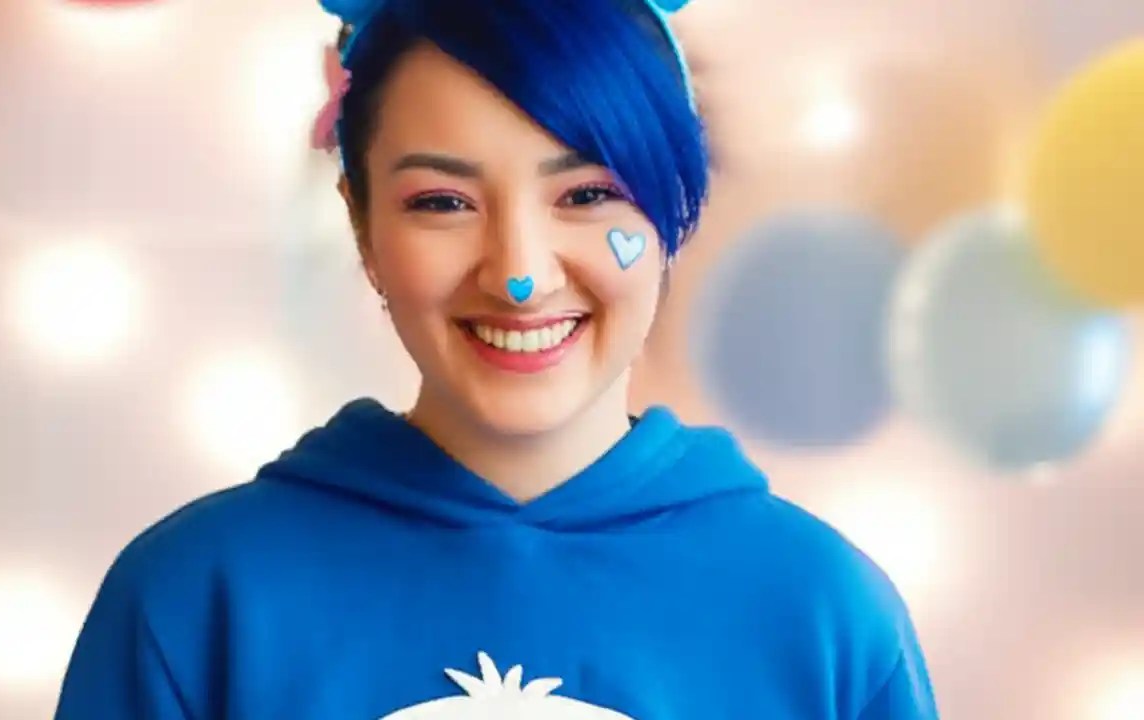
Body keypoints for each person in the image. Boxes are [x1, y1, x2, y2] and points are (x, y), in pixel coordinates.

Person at [54, 0, 939, 717]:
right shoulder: (194, 602)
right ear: (362, 224)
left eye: (588, 194)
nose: (519, 274)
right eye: (442, 201)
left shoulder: (821, 617)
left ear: (672, 209)